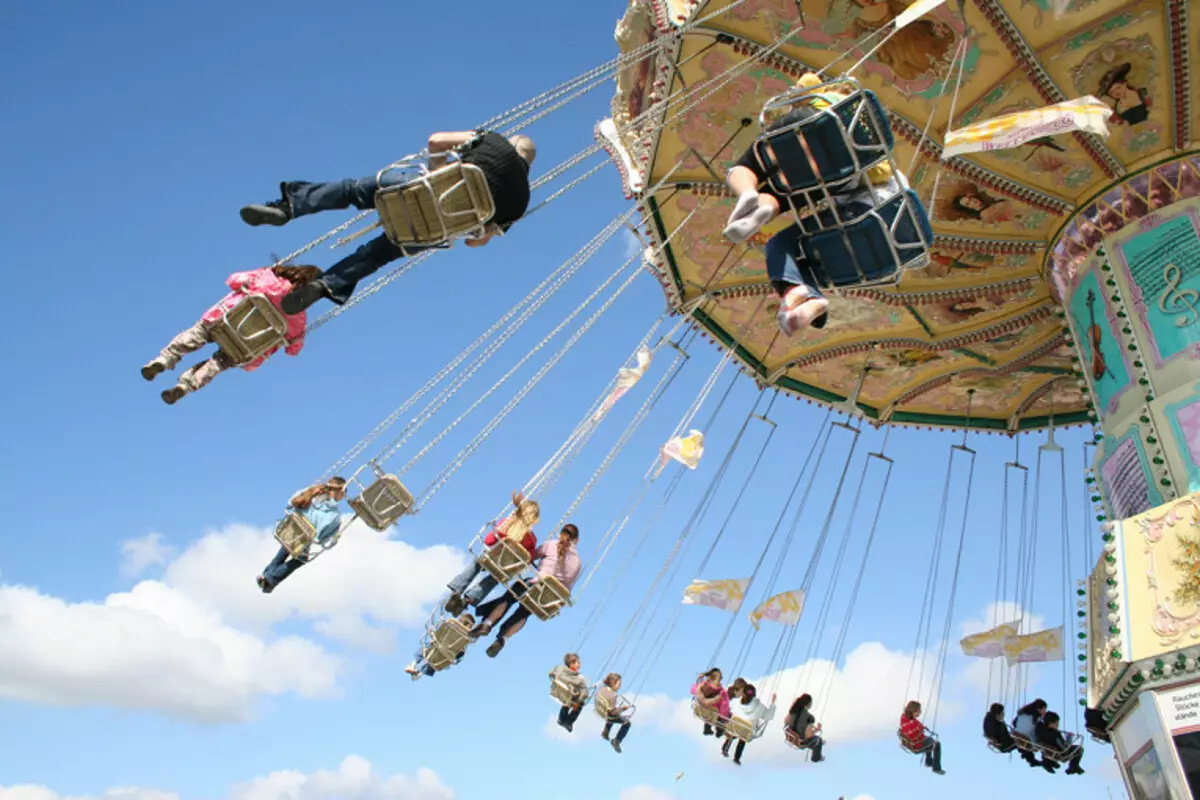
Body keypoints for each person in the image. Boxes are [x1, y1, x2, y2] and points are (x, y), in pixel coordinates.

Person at [239, 132, 537, 314]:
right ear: (528, 164)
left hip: (416, 188)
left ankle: (291, 206)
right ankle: (324, 285)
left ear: (512, 145)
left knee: (351, 191)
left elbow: (436, 140)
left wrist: (437, 172)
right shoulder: (521, 202)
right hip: (431, 228)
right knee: (376, 255)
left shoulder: (494, 142)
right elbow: (478, 239)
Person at [723, 71, 909, 337]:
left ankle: (750, 195)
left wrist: (799, 95)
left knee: (763, 177)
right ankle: (802, 295)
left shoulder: (819, 106)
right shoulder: (858, 132)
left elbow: (807, 85)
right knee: (793, 240)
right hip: (886, 211)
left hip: (860, 200)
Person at [142, 265, 320, 405]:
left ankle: (166, 359)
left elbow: (233, 280)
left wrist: (267, 272)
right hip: (244, 347)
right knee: (219, 363)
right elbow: (293, 350)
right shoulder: (299, 319)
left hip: (223, 320)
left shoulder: (266, 278)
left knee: (199, 334)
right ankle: (185, 386)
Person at [470, 523, 581, 657]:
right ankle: (502, 639)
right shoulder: (578, 563)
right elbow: (567, 587)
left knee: (509, 596)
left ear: (561, 534)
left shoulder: (552, 544)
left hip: (536, 584)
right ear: (577, 540)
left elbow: (529, 557)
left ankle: (487, 623)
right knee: (524, 613)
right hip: (547, 598)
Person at [444, 491, 539, 616]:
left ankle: (456, 591)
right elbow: (527, 559)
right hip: (505, 568)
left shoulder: (507, 523)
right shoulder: (532, 540)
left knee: (477, 564)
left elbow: (488, 541)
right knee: (494, 578)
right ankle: (468, 600)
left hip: (491, 557)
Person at [257, 478, 347, 593]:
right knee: (301, 558)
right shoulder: (333, 516)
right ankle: (270, 579)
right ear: (341, 491)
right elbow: (321, 539)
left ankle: (266, 577)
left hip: (289, 531)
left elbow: (290, 503)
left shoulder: (312, 493)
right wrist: (335, 537)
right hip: (303, 540)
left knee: (288, 546)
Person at [403, 613, 474, 679]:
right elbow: (459, 655)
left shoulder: (450, 624)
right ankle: (421, 671)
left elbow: (438, 633)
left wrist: (432, 633)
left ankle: (414, 663)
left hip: (435, 646)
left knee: (428, 646)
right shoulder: (465, 639)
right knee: (438, 661)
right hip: (443, 657)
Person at [722, 684, 776, 765]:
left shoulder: (737, 703)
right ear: (754, 694)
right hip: (747, 731)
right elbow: (769, 716)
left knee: (735, 729)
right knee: (743, 736)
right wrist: (773, 703)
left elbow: (731, 711)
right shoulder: (759, 707)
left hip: (735, 726)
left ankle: (725, 748)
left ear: (743, 694)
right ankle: (736, 758)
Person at [899, 700, 945, 775]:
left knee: (929, 740)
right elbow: (914, 734)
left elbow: (913, 727)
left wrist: (920, 728)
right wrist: (920, 728)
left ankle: (928, 761)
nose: (919, 713)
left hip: (914, 742)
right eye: (918, 711)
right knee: (936, 744)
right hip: (917, 745)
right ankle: (936, 768)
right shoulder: (912, 724)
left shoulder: (904, 717)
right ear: (912, 711)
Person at [550, 652, 590, 733]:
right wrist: (582, 697)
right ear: (571, 663)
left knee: (566, 703)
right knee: (580, 704)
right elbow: (584, 691)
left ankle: (561, 719)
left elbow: (551, 674)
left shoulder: (560, 670)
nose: (579, 664)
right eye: (578, 662)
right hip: (571, 695)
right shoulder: (578, 678)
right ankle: (568, 722)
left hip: (559, 692)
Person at [784, 693, 825, 762]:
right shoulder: (810, 717)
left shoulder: (793, 710)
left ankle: (815, 743)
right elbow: (808, 736)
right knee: (819, 740)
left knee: (812, 736)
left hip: (791, 737)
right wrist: (817, 729)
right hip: (800, 742)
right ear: (808, 704)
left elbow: (786, 722)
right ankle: (816, 758)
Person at [597, 673, 632, 753]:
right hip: (609, 715)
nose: (620, 686)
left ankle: (605, 732)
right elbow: (613, 712)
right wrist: (623, 708)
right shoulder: (612, 695)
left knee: (614, 716)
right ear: (613, 683)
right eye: (618, 684)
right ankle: (617, 741)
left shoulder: (604, 690)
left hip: (601, 711)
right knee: (627, 723)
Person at [692, 669, 730, 738]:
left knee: (721, 704)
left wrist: (699, 681)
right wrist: (715, 700)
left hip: (706, 710)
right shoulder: (720, 692)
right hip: (711, 711)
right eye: (719, 679)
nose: (720, 681)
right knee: (722, 704)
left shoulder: (703, 685)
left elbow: (694, 689)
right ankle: (719, 726)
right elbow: (723, 707)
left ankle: (710, 726)